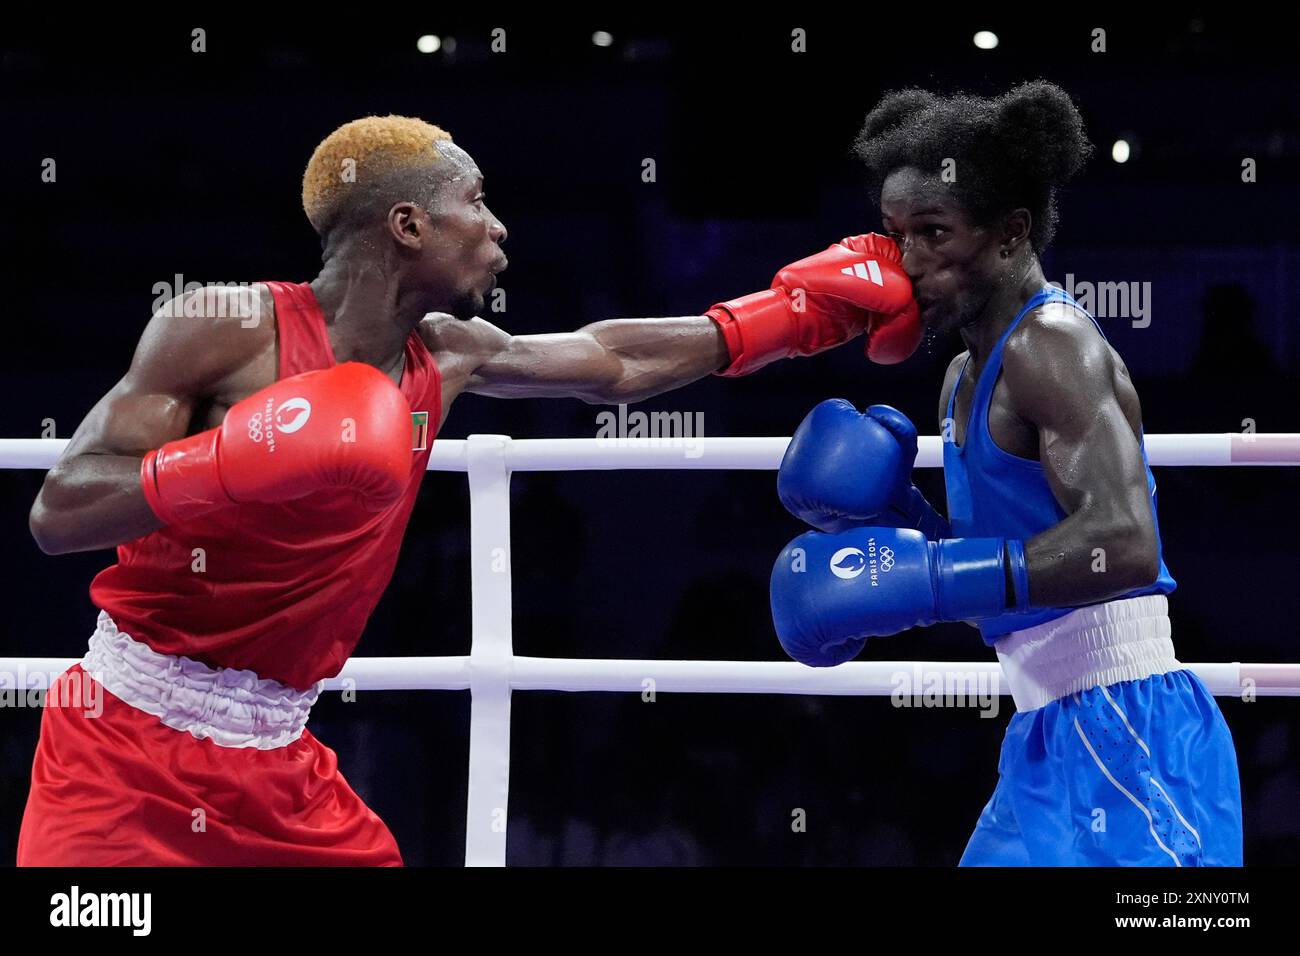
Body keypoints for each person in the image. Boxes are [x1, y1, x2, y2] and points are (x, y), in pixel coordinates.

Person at [19, 114, 921, 865]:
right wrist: (224, 463)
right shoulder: (220, 329)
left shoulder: (450, 356)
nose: (499, 228)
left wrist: (795, 317)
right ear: (407, 225)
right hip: (123, 747)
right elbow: (60, 510)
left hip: (280, 762)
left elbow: (615, 360)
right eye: (476, 202)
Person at [768, 82, 1242, 866]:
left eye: (933, 233)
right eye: (894, 235)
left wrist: (926, 580)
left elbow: (1123, 544)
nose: (908, 262)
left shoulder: (1051, 346)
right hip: (1043, 732)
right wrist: (906, 524)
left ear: (1011, 234)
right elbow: (1004, 560)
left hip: (1128, 727)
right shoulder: (963, 373)